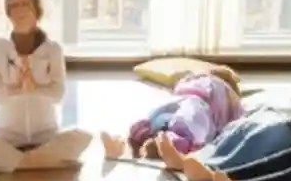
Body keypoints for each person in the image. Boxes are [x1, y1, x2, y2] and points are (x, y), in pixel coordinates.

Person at [0, 0, 92, 172]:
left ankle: (18, 162)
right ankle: (39, 160)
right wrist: (14, 89)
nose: (19, 10)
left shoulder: (53, 49)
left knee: (81, 136)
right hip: (7, 134)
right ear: (8, 13)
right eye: (13, 6)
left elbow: (58, 94)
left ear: (36, 9)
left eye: (24, 3)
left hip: (45, 133)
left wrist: (34, 87)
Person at [154, 95, 291, 181]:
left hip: (289, 129)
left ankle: (210, 171)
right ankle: (192, 159)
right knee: (240, 130)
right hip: (277, 117)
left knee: (260, 139)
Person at [99, 66, 244, 162]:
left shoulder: (192, 81)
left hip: (175, 102)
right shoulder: (227, 94)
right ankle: (164, 147)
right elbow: (237, 124)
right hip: (197, 106)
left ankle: (123, 142)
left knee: (149, 122)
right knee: (189, 130)